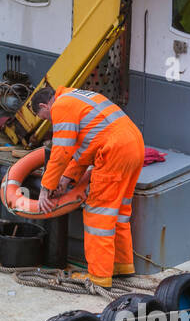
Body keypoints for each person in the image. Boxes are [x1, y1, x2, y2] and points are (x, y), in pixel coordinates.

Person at [32, 85, 145, 287]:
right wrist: (66, 179)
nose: (49, 122)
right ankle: (121, 265)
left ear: (45, 105)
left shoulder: (61, 106)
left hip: (115, 152)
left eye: (45, 118)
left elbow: (61, 151)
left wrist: (45, 189)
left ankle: (99, 277)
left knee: (98, 215)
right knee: (119, 211)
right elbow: (87, 147)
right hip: (134, 146)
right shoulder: (79, 97)